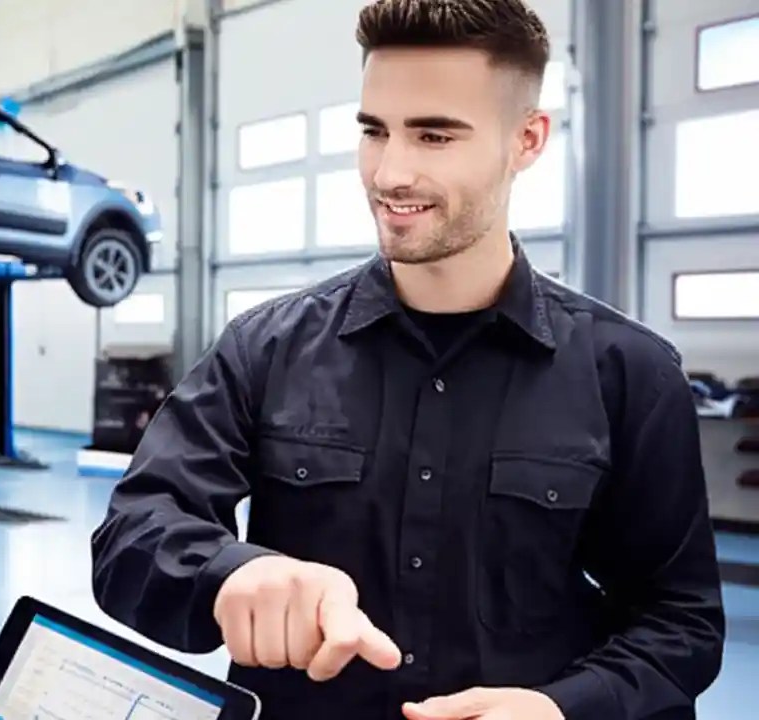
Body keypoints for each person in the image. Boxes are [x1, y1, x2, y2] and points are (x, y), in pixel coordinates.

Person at [90, 1, 726, 718]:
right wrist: (230, 573)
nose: (390, 172)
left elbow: (681, 624)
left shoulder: (629, 375)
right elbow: (131, 535)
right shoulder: (263, 348)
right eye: (374, 131)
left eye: (434, 135)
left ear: (527, 139)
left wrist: (561, 710)